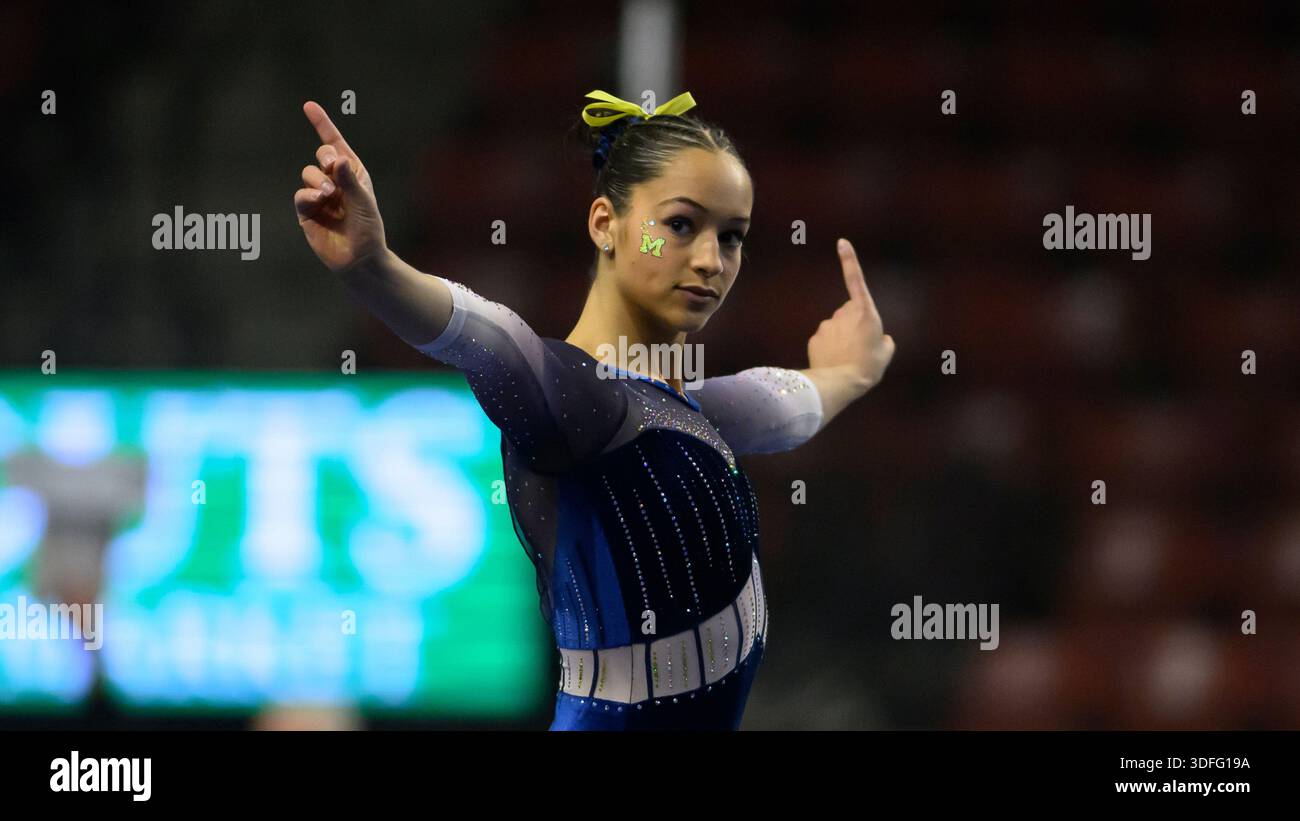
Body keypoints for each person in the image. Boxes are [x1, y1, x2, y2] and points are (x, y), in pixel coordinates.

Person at [293, 90, 895, 729]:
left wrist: (847, 371)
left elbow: (779, 407)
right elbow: (491, 341)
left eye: (733, 236)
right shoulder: (575, 397)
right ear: (605, 222)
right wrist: (374, 268)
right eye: (681, 226)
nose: (711, 261)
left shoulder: (684, 412)